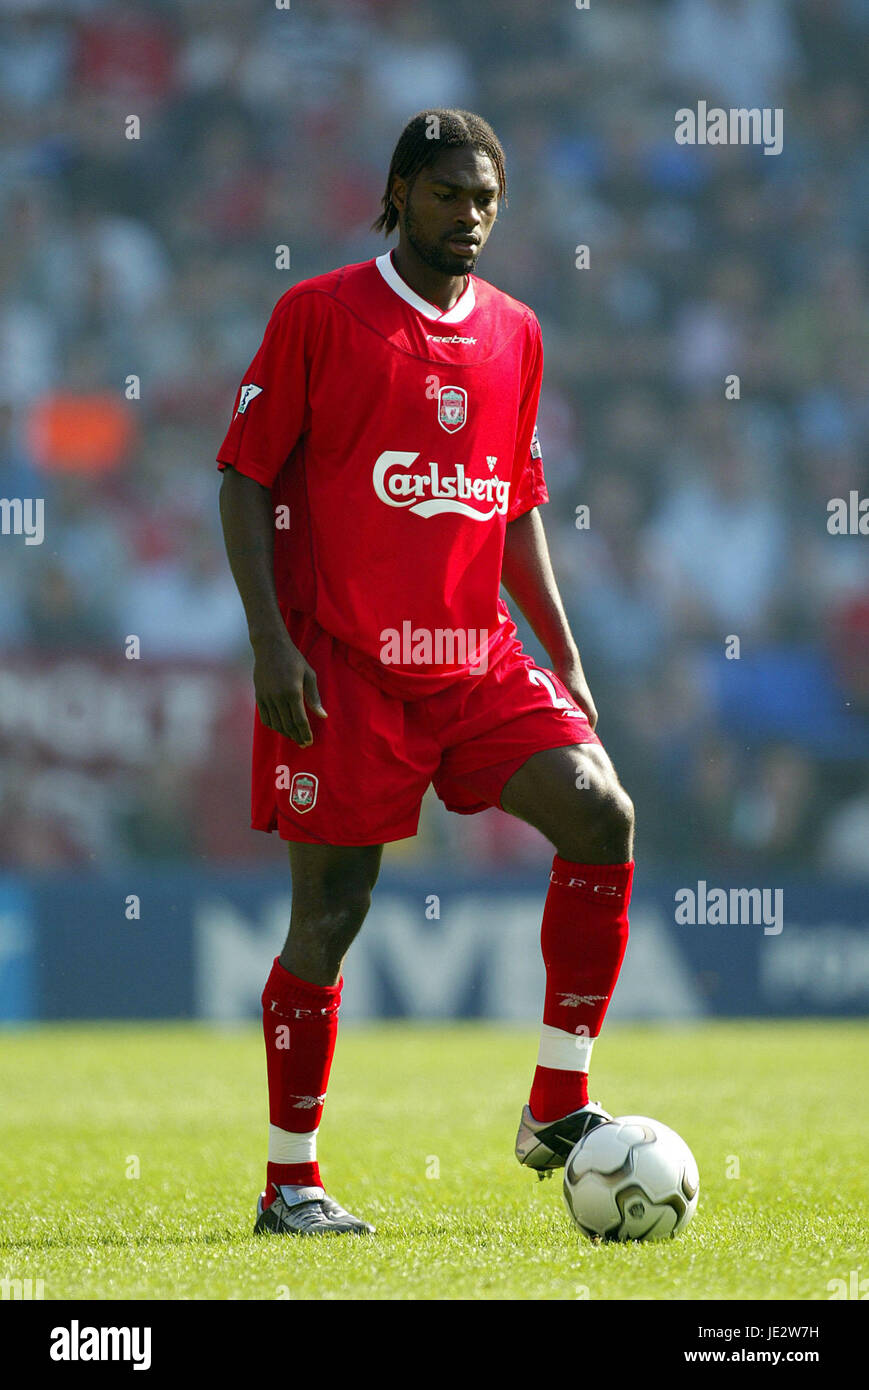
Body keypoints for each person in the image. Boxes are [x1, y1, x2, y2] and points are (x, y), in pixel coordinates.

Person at [217, 109, 635, 1237]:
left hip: (473, 658)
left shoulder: (516, 334)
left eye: (487, 201)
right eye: (450, 196)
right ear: (398, 192)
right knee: (333, 917)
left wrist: (563, 647)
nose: (470, 219)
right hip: (344, 666)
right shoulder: (318, 315)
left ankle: (558, 1099)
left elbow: (513, 506)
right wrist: (270, 639)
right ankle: (290, 1182)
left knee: (601, 813)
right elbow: (244, 478)